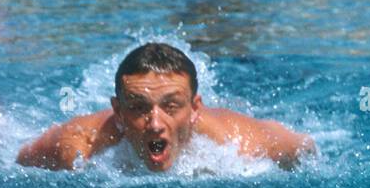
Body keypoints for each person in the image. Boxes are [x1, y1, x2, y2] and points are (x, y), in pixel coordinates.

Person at [17, 43, 315, 173]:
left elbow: (306, 148)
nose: (155, 123)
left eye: (171, 106)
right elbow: (21, 159)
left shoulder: (242, 145)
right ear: (118, 112)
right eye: (138, 108)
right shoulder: (79, 147)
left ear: (195, 108)